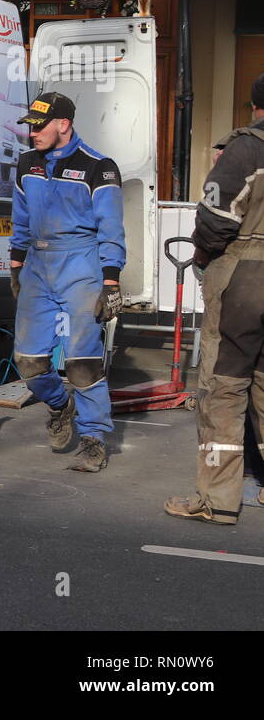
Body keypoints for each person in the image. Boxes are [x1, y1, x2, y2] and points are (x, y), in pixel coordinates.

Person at [166, 74, 264, 523]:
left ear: (254, 106)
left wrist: (204, 255)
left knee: (222, 388)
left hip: (244, 276)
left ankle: (217, 500)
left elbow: (214, 218)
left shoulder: (245, 148)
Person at [9, 92, 124, 472]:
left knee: (82, 362)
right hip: (38, 266)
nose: (33, 134)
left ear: (64, 124)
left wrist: (111, 283)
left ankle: (93, 439)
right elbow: (21, 218)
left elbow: (111, 228)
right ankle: (61, 406)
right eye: (30, 127)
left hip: (82, 264)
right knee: (28, 362)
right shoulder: (27, 163)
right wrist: (15, 264)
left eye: (40, 126)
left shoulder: (99, 167)